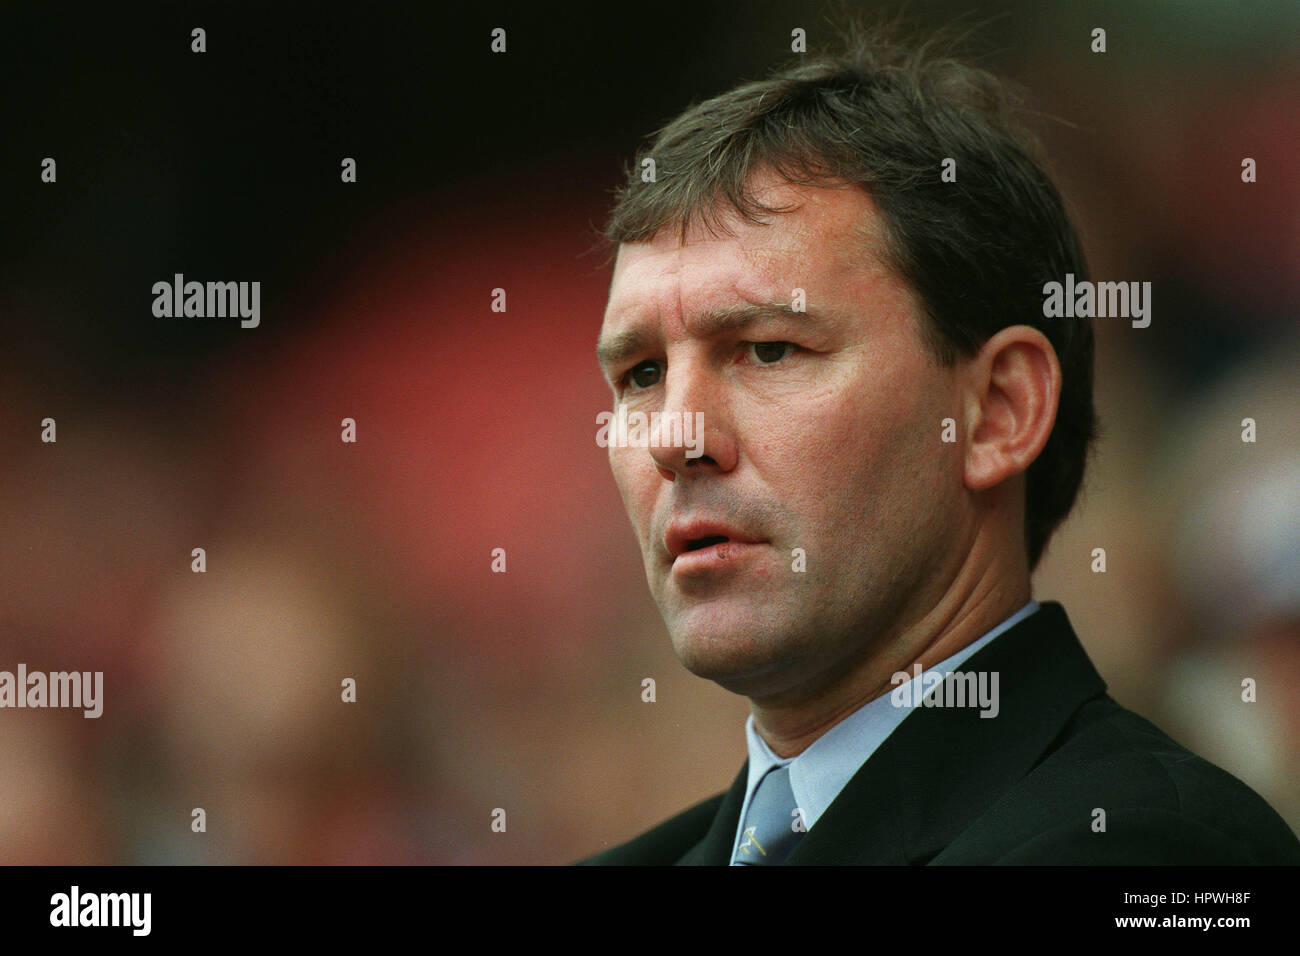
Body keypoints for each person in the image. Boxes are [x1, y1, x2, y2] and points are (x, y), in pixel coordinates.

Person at [580, 25, 1300, 865]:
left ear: (998, 411)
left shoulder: (1155, 849)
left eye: (769, 348)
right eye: (638, 375)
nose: (674, 436)